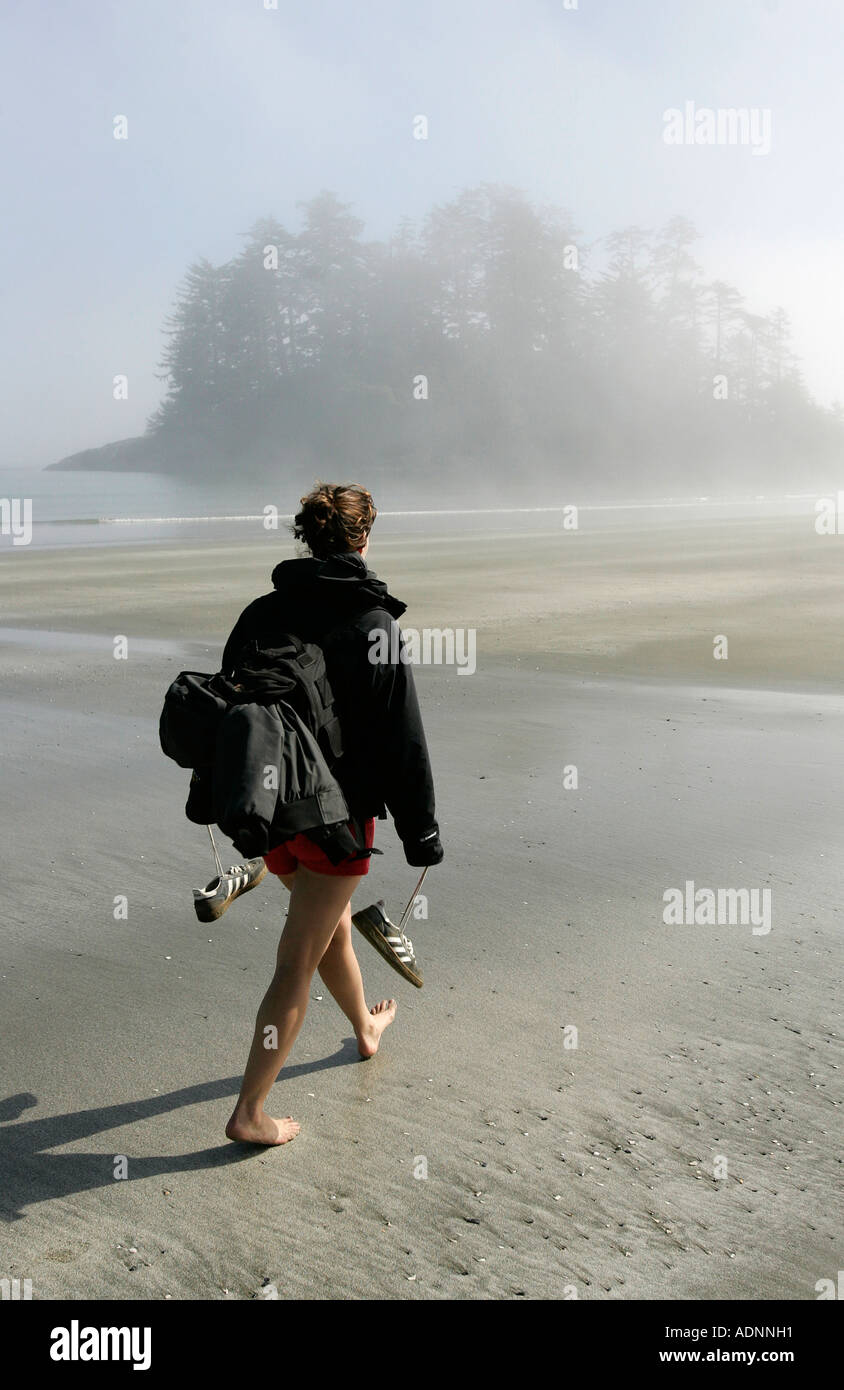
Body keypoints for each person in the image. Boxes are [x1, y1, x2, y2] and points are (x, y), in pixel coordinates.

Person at [222, 482, 443, 1145]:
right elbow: (403, 737)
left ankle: (365, 1028)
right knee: (297, 958)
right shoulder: (373, 625)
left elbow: (234, 701)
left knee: (329, 924)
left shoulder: (263, 611)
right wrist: (421, 831)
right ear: (363, 538)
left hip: (273, 814)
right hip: (336, 819)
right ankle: (249, 1113)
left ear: (307, 539)